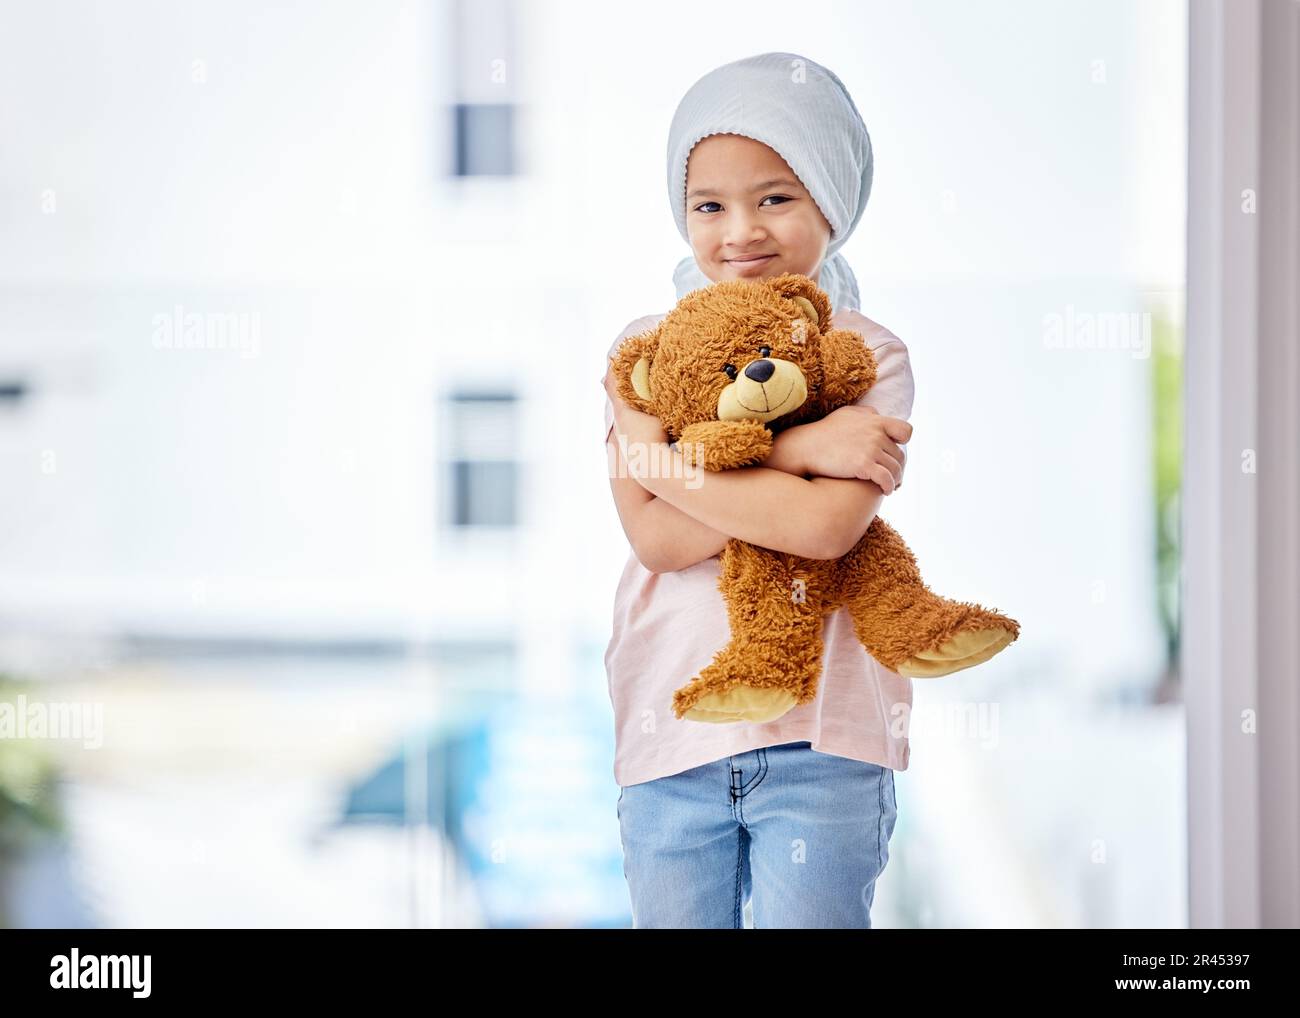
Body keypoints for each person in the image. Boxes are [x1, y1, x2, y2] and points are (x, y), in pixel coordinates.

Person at [601, 52, 915, 928]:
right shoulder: (645, 351)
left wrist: (671, 470)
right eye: (709, 205)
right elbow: (656, 541)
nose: (740, 231)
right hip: (671, 727)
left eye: (775, 196)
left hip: (826, 734)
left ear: (830, 198)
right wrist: (809, 442)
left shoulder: (868, 353)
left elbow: (822, 530)